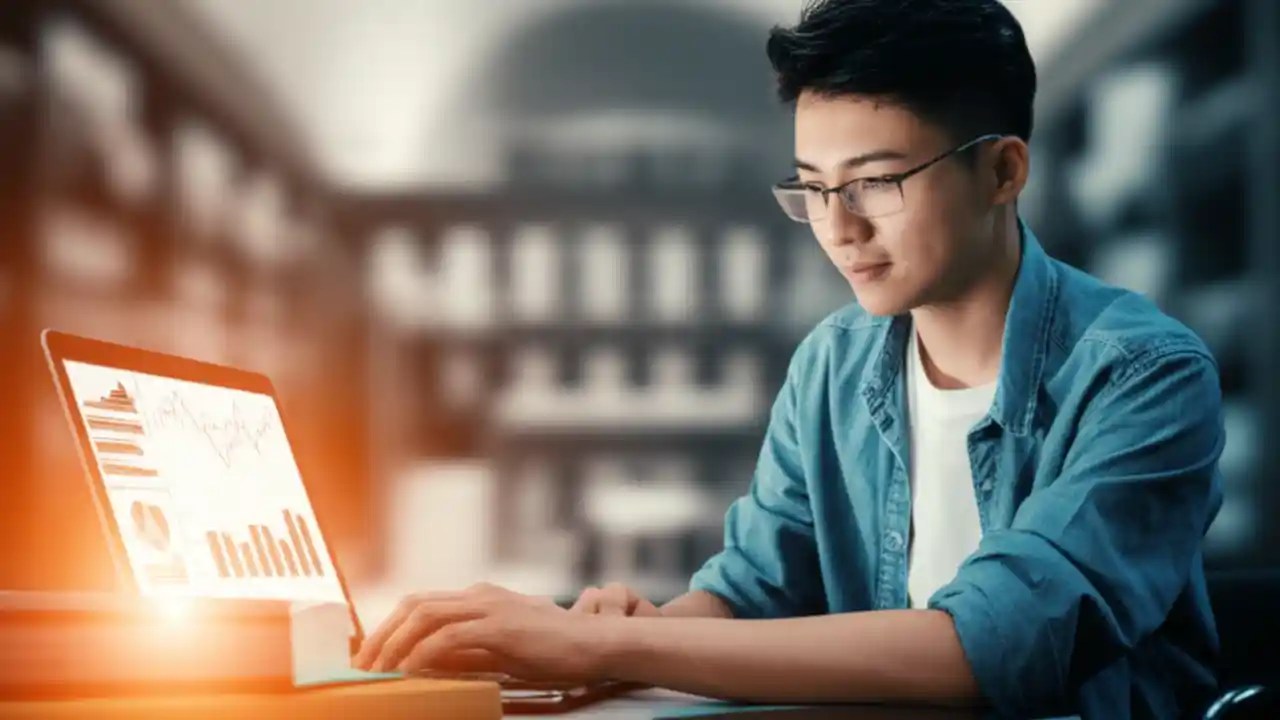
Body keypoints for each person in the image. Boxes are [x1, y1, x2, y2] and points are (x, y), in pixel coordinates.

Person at [354, 1, 1225, 717]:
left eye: (877, 182)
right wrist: (630, 633)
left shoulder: (1146, 374)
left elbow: (997, 646)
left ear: (1002, 171)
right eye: (812, 187)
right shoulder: (834, 362)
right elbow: (755, 588)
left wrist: (610, 643)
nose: (838, 229)